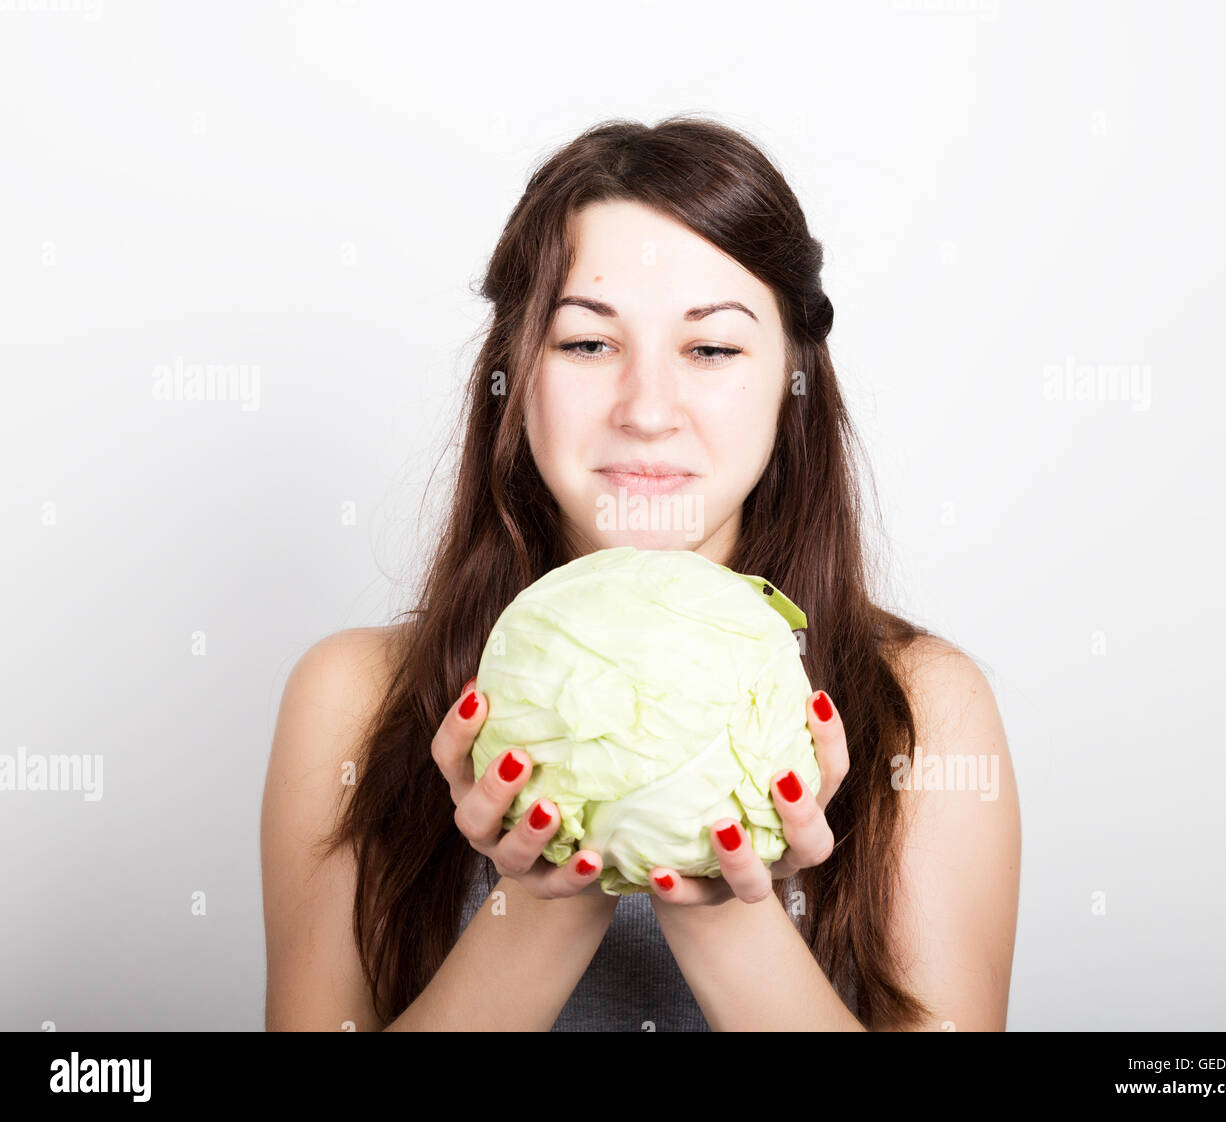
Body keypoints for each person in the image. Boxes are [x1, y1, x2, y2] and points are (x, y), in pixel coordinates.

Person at [260, 115, 1020, 1031]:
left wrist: (730, 907)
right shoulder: (352, 697)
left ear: (792, 379)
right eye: (587, 343)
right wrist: (543, 898)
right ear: (514, 370)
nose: (648, 409)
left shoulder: (926, 707)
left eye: (711, 349)